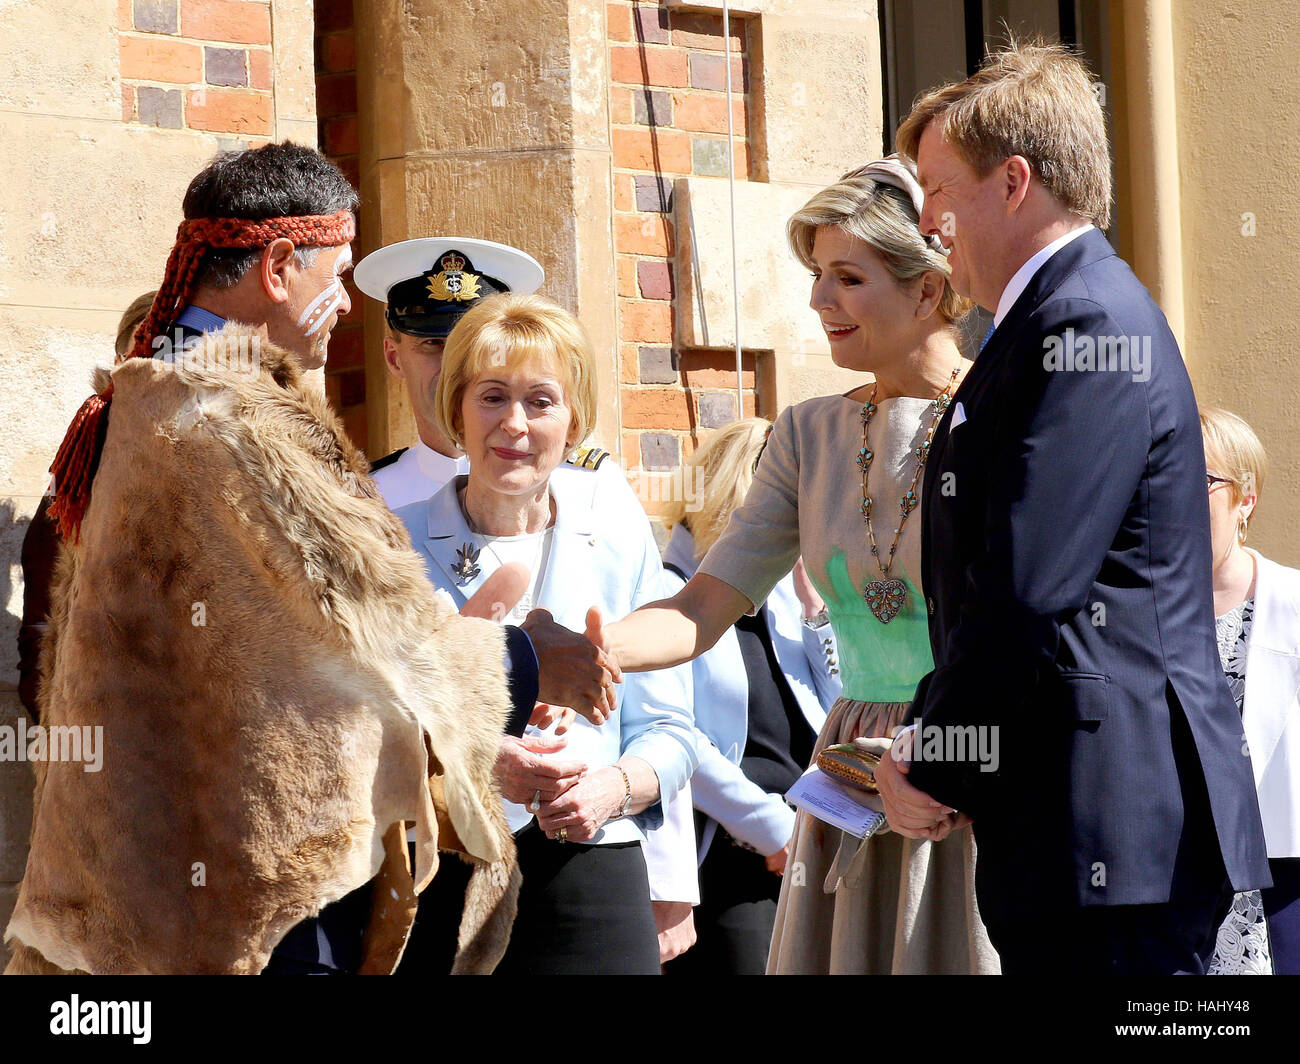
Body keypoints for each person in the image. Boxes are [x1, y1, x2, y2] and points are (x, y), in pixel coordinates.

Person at [875, 40, 1270, 974]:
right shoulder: (1054, 317)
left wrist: (934, 755)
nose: (926, 221)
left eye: (937, 187)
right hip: (1082, 833)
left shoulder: (1084, 322)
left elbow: (1028, 583)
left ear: (1014, 183)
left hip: (1116, 839)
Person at [582, 156, 1000, 974]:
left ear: (929, 289)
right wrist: (583, 650)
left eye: (847, 277)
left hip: (973, 753)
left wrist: (950, 750)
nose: (818, 302)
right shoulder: (805, 435)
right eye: (817, 275)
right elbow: (701, 606)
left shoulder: (1003, 417)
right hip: (849, 769)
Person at [355, 236, 697, 963]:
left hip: (592, 868)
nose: (516, 424)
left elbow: (673, 730)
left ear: (573, 424)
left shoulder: (614, 535)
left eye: (541, 401)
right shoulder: (387, 545)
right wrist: (475, 760)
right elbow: (356, 722)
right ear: (458, 412)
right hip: (436, 870)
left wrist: (611, 789)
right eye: (493, 398)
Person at [652, 418, 840, 975]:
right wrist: (770, 828)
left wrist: (817, 615)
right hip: (732, 858)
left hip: (811, 844)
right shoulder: (668, 590)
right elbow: (675, 736)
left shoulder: (781, 588)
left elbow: (838, 710)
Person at [18, 290, 157, 720]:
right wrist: (41, 681)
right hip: (105, 694)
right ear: (121, 360)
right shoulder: (95, 436)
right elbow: (45, 559)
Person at [1200, 408, 1300, 975]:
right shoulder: (1132, 614)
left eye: (1202, 482)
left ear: (1246, 500)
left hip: (1281, 885)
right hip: (1168, 883)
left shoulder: (1293, 604)